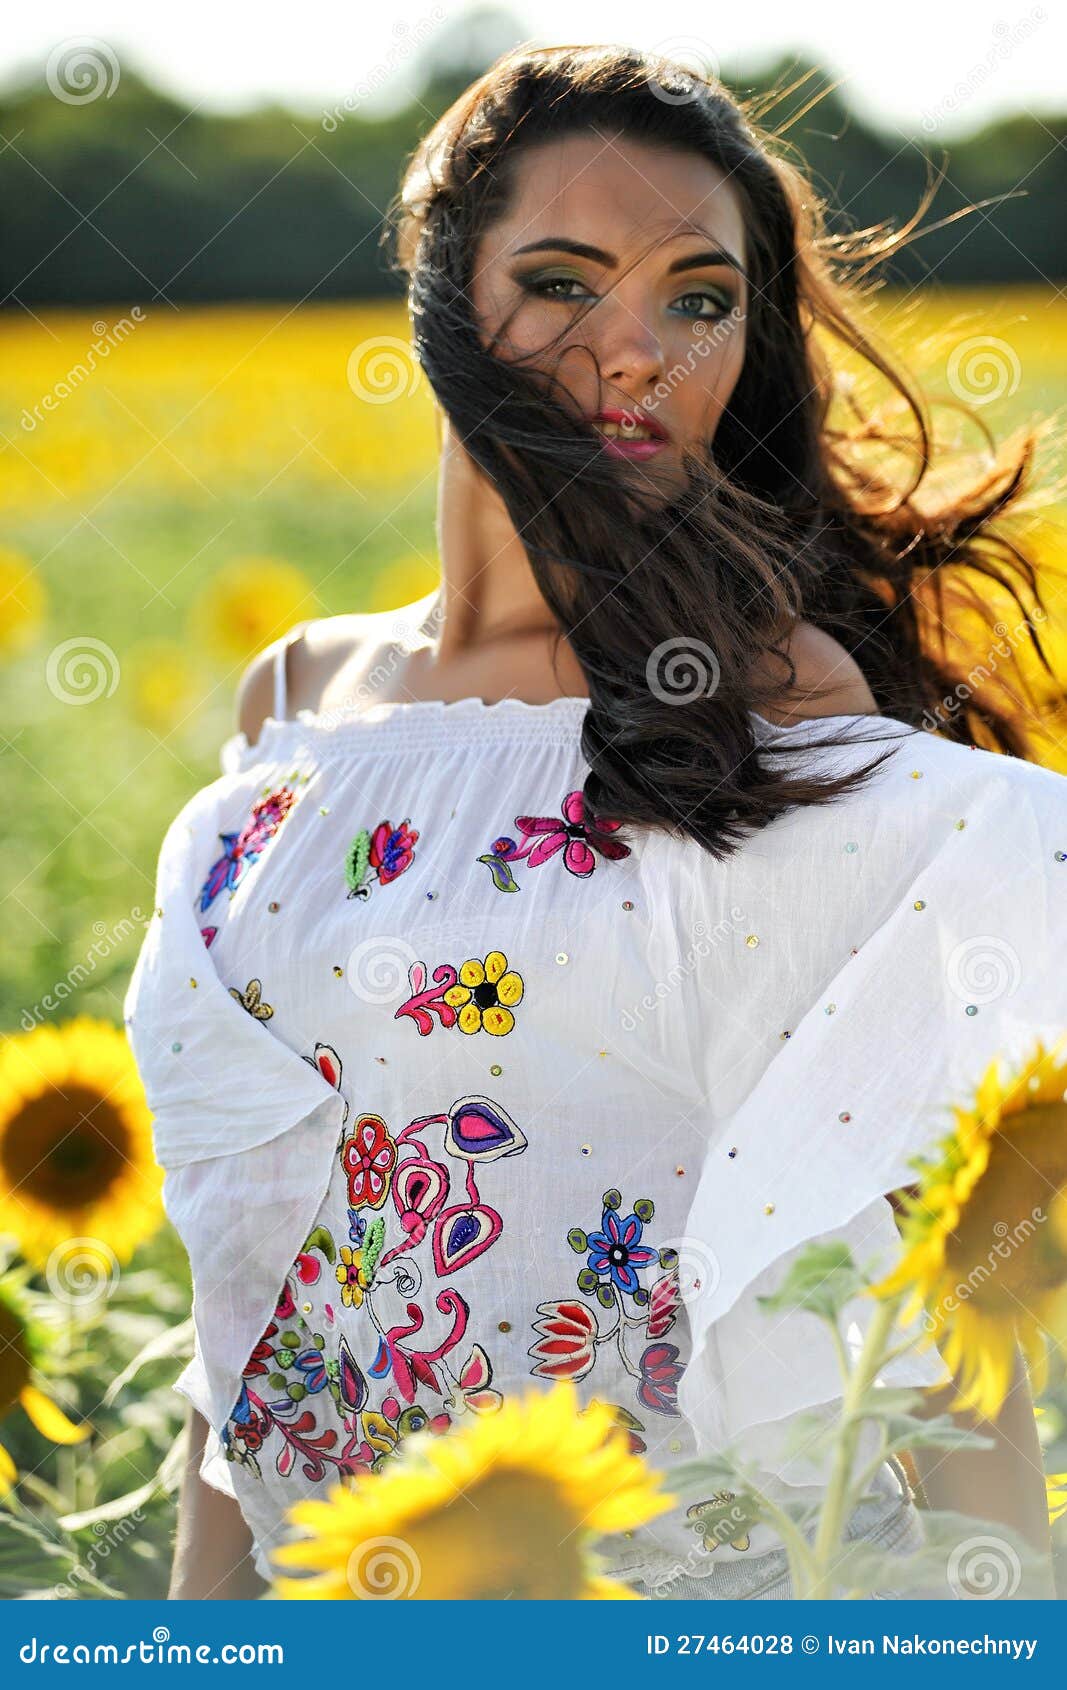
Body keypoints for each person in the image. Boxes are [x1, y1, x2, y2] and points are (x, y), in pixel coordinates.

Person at [125, 44, 1063, 1600]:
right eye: (563, 282)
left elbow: (907, 1235)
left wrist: (1011, 1607)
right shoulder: (292, 704)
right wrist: (203, 1624)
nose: (639, 352)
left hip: (695, 1593)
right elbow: (251, 1258)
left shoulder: (775, 700)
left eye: (700, 300)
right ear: (442, 298)